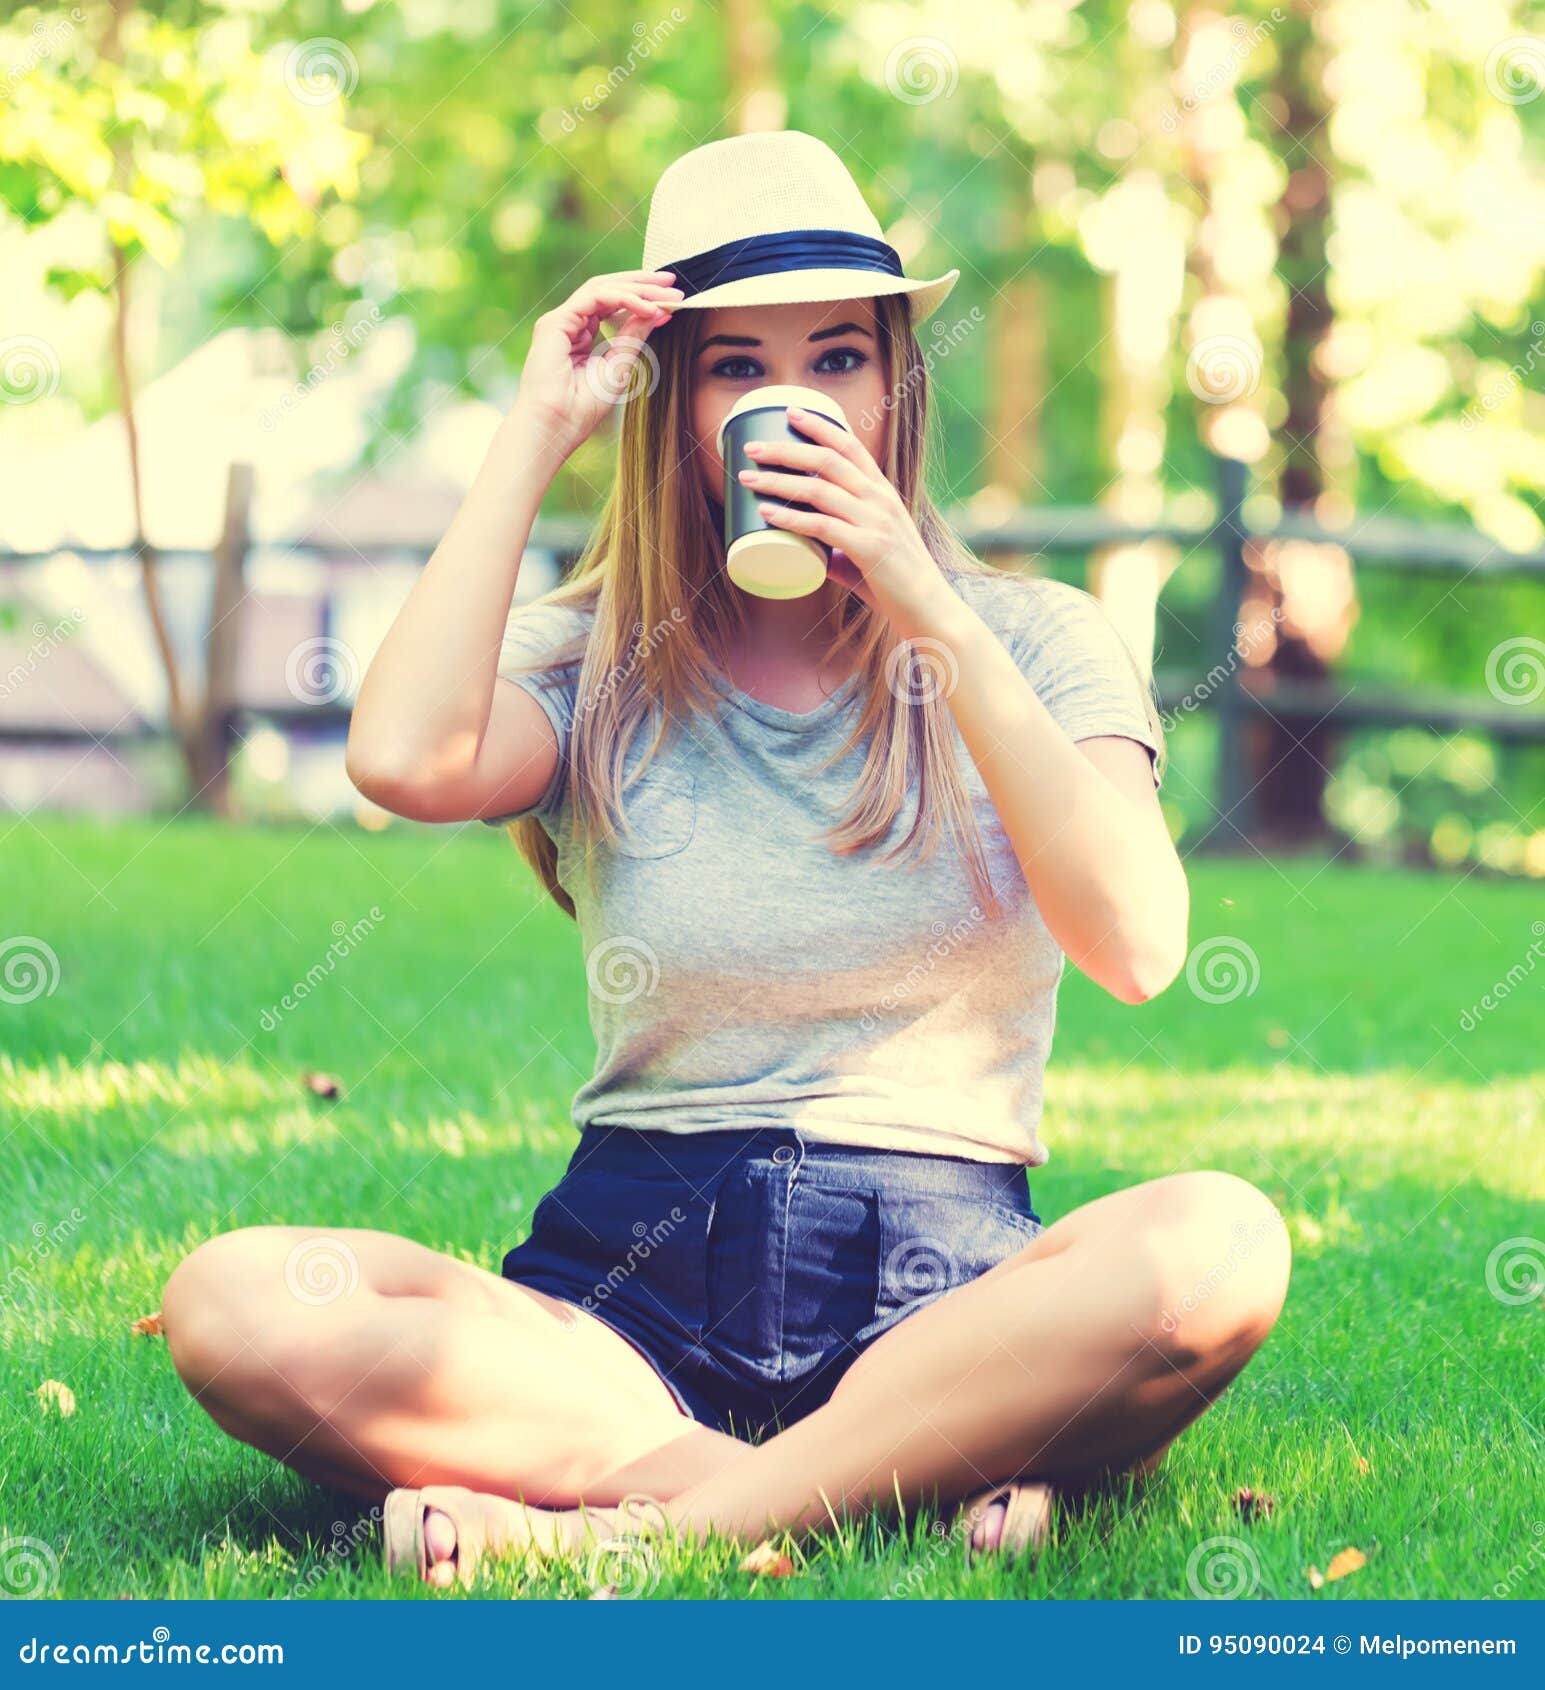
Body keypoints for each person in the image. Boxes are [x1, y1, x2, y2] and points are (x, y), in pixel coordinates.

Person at [162, 131, 1290, 1589]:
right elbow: (404, 757)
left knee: (1216, 1242)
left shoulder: (1033, 639)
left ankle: (640, 1529)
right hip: (622, 1308)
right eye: (734, 368)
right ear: (677, 406)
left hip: (943, 1289)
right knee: (238, 1298)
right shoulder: (596, 657)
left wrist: (922, 605)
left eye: (836, 359)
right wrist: (534, 426)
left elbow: (1136, 944)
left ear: (897, 384)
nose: (794, 405)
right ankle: (896, 1479)